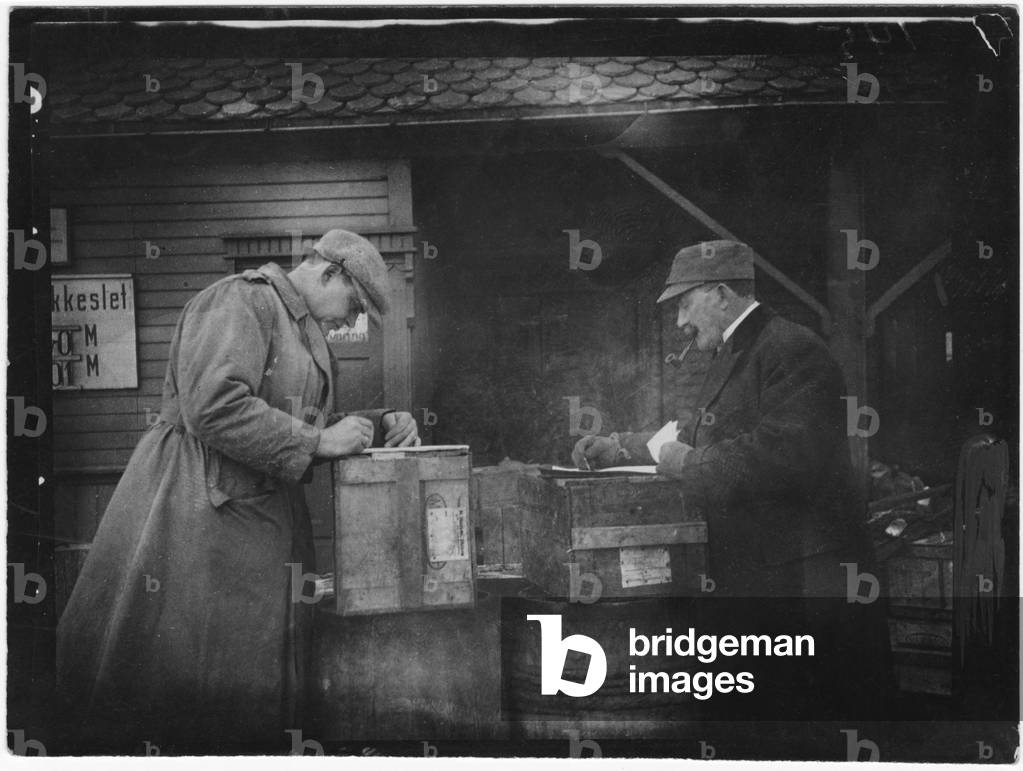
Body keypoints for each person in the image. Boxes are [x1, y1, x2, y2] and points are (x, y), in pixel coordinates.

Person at [57, 228, 419, 752]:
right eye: (355, 304)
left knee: (246, 676)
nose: (351, 320)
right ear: (329, 273)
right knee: (194, 671)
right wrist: (319, 439)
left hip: (250, 517)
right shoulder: (240, 300)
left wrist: (378, 423)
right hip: (198, 512)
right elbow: (215, 407)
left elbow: (295, 418)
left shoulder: (301, 328)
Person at [572, 240, 892, 718]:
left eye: (684, 304)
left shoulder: (793, 348)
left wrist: (686, 464)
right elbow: (694, 431)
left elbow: (783, 456)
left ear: (722, 294)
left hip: (808, 581)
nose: (679, 322)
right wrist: (621, 445)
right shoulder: (739, 349)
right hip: (769, 574)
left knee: (817, 719)